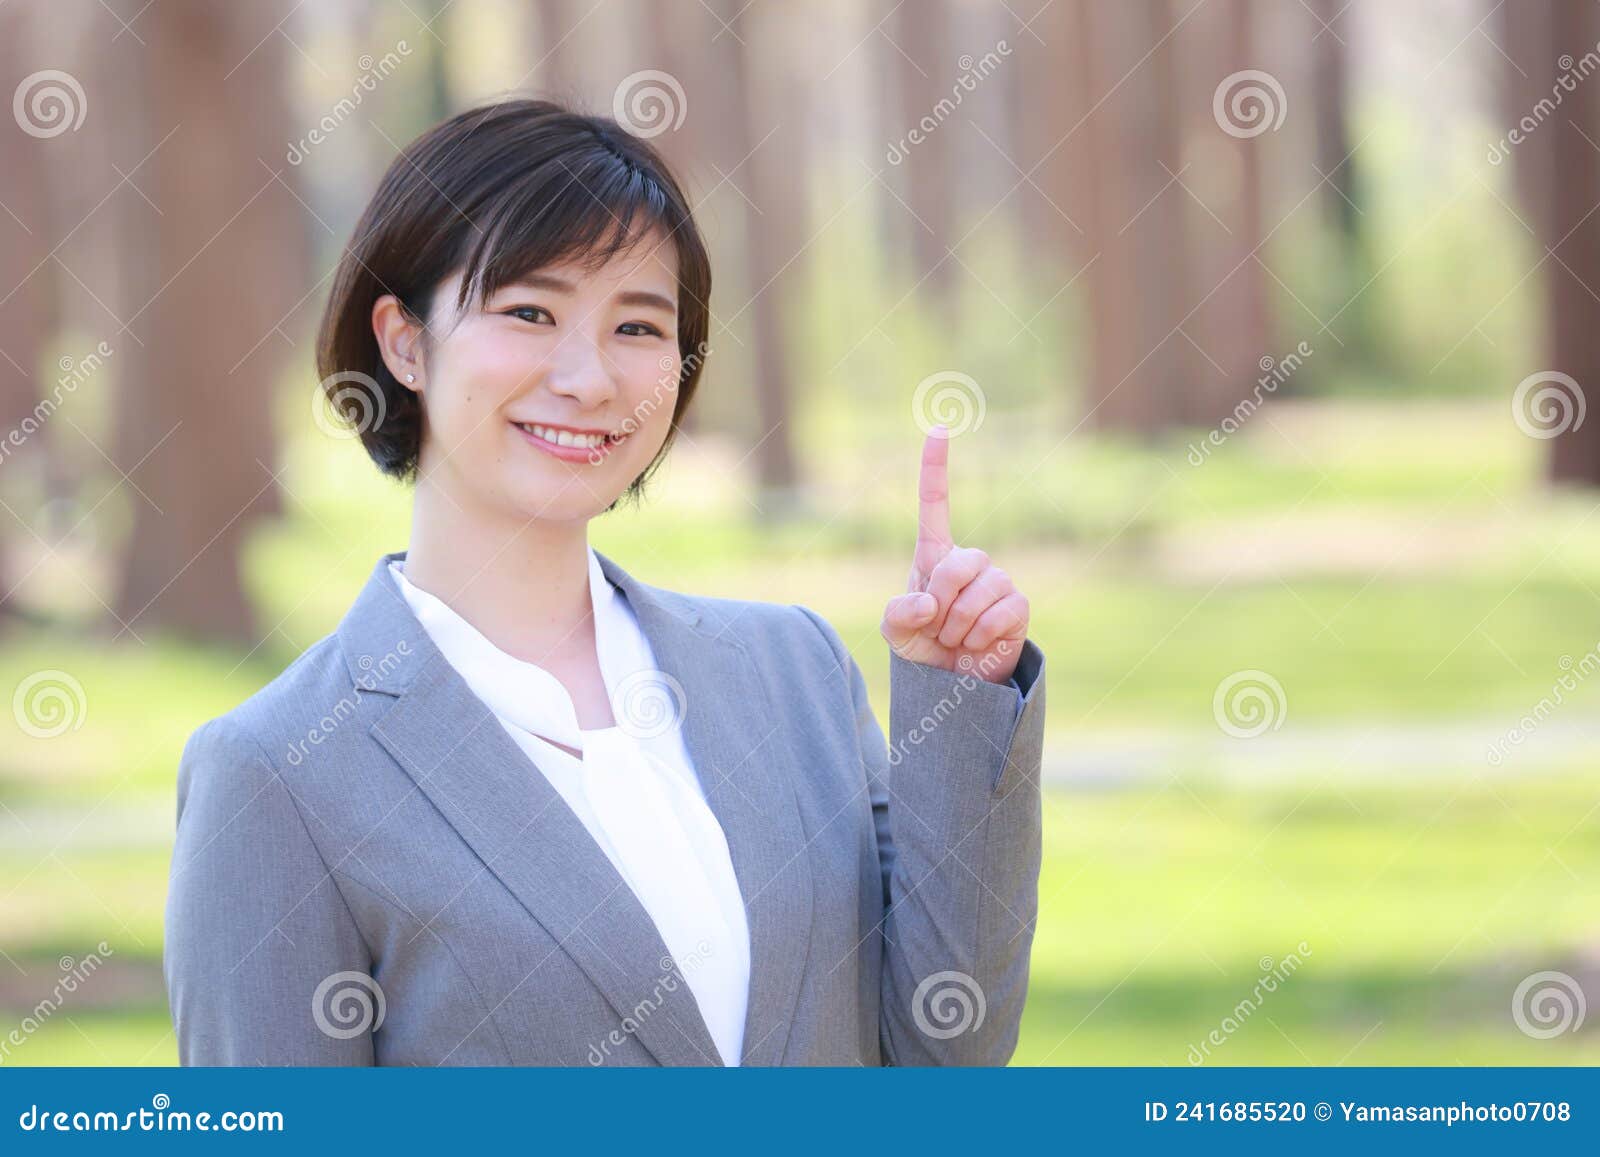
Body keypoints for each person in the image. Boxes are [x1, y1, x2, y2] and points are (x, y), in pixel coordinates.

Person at [163, 98, 1046, 1066]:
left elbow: (946, 1051)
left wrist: (958, 696)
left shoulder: (792, 669)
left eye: (637, 325)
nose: (589, 378)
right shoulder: (276, 772)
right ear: (405, 342)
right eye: (529, 312)